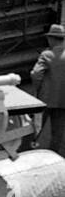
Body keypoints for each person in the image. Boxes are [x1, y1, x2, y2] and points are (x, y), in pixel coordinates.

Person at [29, 23, 65, 155]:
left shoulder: (47, 54)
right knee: (58, 131)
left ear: (52, 39)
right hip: (63, 100)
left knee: (36, 128)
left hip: (45, 99)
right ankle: (54, 156)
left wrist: (37, 89)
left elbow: (36, 74)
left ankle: (31, 152)